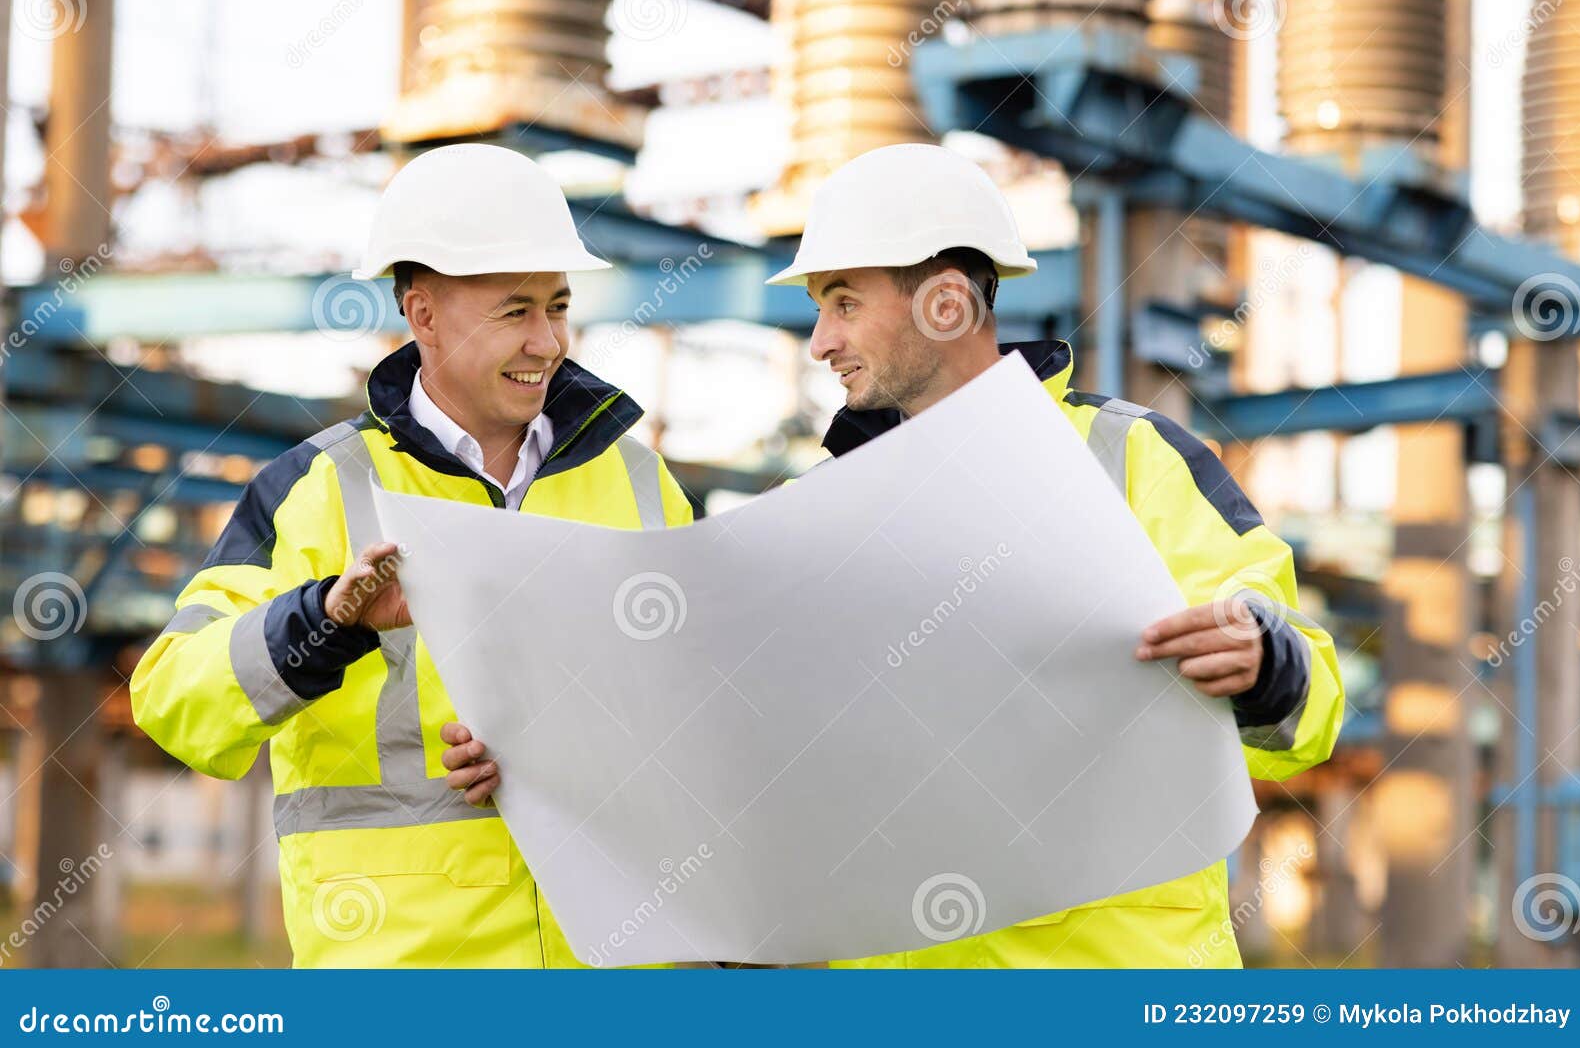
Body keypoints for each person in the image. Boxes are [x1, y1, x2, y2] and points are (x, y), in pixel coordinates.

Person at [444, 142, 1344, 968]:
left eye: (844, 301)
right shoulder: (816, 517)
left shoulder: (1129, 458)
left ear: (946, 301)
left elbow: (1303, 711)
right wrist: (546, 758)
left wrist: (1266, 665)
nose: (821, 341)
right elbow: (726, 746)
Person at [131, 143, 695, 967]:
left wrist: (573, 746)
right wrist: (327, 624)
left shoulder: (640, 481)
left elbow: (709, 705)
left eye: (558, 306)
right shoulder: (319, 488)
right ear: (423, 315)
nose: (547, 341)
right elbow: (172, 699)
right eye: (515, 311)